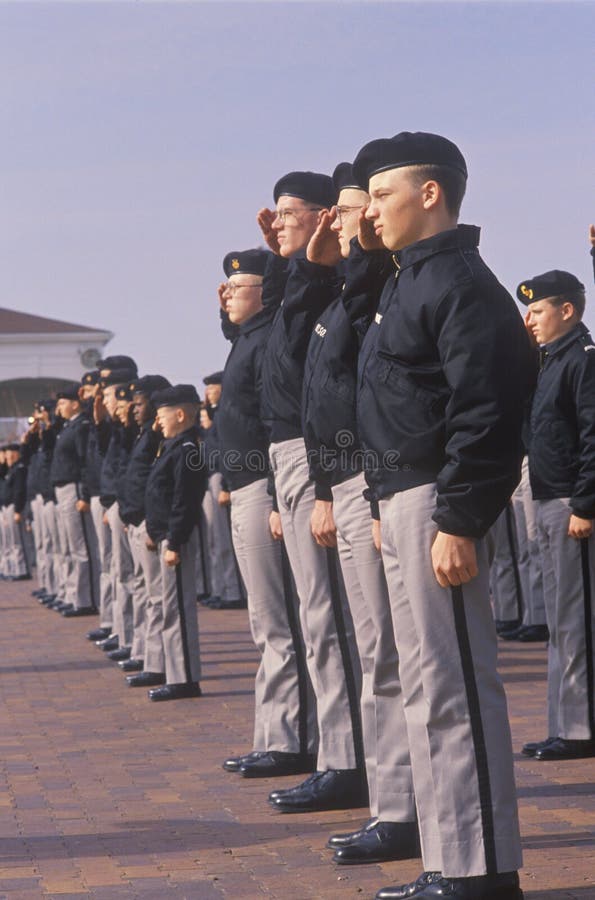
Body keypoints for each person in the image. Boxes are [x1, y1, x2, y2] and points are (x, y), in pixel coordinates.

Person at [352, 131, 533, 900]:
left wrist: (458, 519)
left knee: (454, 683)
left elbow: (487, 408)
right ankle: (447, 858)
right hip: (402, 499)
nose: (370, 212)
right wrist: (377, 500)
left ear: (429, 194)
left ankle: (480, 871)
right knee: (427, 686)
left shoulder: (458, 284)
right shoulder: (405, 282)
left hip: (436, 502)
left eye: (381, 195)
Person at [300, 162, 418, 863]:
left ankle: (404, 809)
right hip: (350, 479)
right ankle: (393, 803)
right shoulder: (347, 294)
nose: (349, 222)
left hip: (372, 480)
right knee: (380, 655)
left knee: (392, 659)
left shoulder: (385, 290)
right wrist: (313, 270)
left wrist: (349, 488)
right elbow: (305, 382)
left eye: (355, 210)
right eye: (348, 210)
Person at [258, 170, 367, 813]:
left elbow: (312, 370)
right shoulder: (303, 282)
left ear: (324, 217)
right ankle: (338, 754)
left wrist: (322, 482)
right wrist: (282, 262)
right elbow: (274, 345)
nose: (277, 223)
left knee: (329, 619)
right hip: (292, 455)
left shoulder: (330, 284)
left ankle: (347, 760)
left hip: (316, 453)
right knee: (314, 615)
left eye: (288, 213)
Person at [216, 248, 317, 778]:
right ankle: (274, 733)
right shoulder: (247, 340)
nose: (228, 292)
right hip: (244, 486)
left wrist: (277, 497)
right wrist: (227, 310)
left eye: (239, 286)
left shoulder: (265, 340)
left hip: (263, 484)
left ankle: (292, 739)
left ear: (265, 292)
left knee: (281, 620)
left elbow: (278, 419)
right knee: (264, 620)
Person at [517, 269, 595, 761]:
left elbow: (592, 435)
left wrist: (585, 504)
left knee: (575, 619)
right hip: (548, 499)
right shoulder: (550, 361)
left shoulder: (583, 360)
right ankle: (564, 723)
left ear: (567, 310)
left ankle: (580, 729)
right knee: (560, 620)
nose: (529, 320)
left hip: (570, 504)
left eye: (537, 310)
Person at [144, 384, 207, 701]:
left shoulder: (187, 449)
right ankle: (177, 674)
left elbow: (185, 500)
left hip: (176, 539)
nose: (158, 422)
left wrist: (174, 542)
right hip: (165, 536)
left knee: (178, 609)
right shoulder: (171, 446)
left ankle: (184, 679)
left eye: (162, 415)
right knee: (170, 607)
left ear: (180, 415)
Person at [119, 374, 171, 688]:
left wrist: (151, 522)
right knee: (145, 592)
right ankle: (147, 656)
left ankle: (159, 664)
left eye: (139, 404)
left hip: (149, 523)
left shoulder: (159, 435)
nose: (134, 409)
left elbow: (158, 484)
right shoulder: (142, 433)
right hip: (136, 521)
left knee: (157, 597)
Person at [50, 384, 99, 617]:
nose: (59, 408)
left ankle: (85, 600)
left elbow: (83, 461)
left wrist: (84, 495)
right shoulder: (67, 426)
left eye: (63, 403)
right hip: (63, 488)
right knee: (70, 547)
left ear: (75, 404)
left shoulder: (80, 426)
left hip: (74, 488)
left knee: (81, 547)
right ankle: (73, 596)